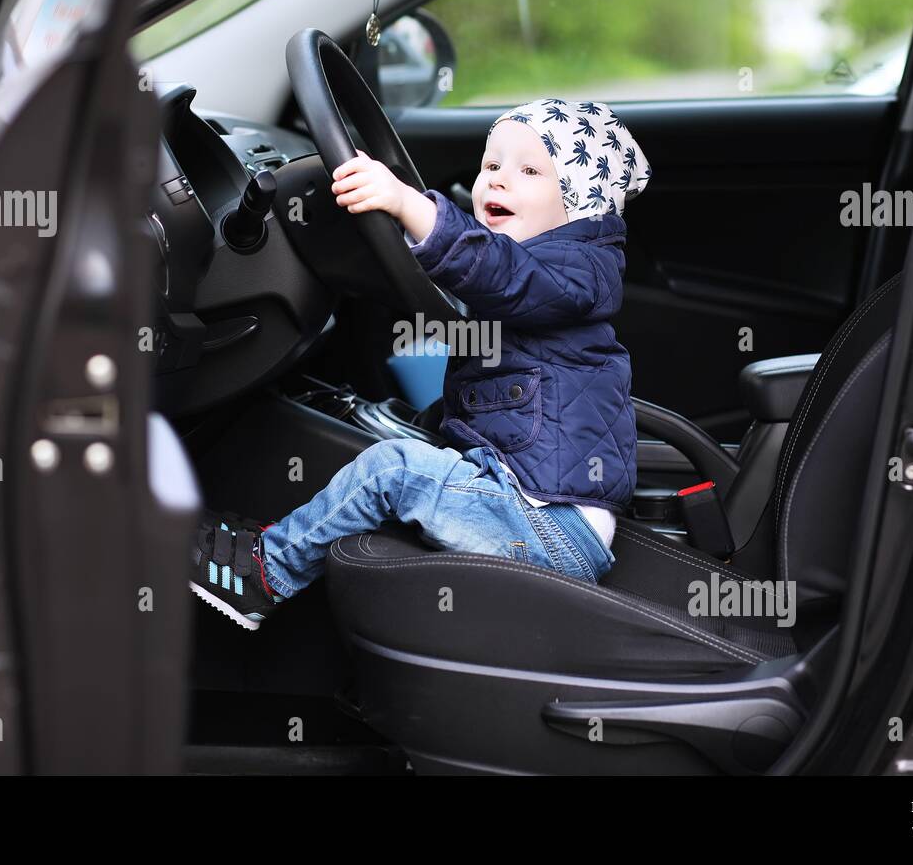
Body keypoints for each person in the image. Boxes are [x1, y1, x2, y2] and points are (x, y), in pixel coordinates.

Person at [191, 98, 651, 629]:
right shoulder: (548, 266)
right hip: (535, 503)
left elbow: (502, 273)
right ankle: (270, 545)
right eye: (492, 165)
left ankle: (265, 574)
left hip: (549, 526)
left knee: (392, 468)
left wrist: (410, 206)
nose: (498, 182)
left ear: (579, 205)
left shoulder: (575, 273)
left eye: (529, 171)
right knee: (413, 436)